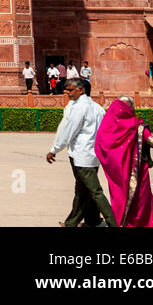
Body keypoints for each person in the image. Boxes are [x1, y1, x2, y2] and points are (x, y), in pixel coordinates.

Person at [95, 96, 153, 227]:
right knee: (139, 203)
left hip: (118, 177)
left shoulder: (106, 131)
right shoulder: (138, 128)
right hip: (138, 174)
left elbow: (100, 149)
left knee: (120, 200)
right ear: (131, 109)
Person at [46, 77, 116, 227]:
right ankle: (84, 221)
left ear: (81, 90)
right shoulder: (97, 107)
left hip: (82, 155)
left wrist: (54, 149)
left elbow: (68, 131)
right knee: (82, 190)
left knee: (94, 192)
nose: (67, 92)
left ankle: (113, 223)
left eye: (70, 90)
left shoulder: (78, 107)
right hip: (93, 154)